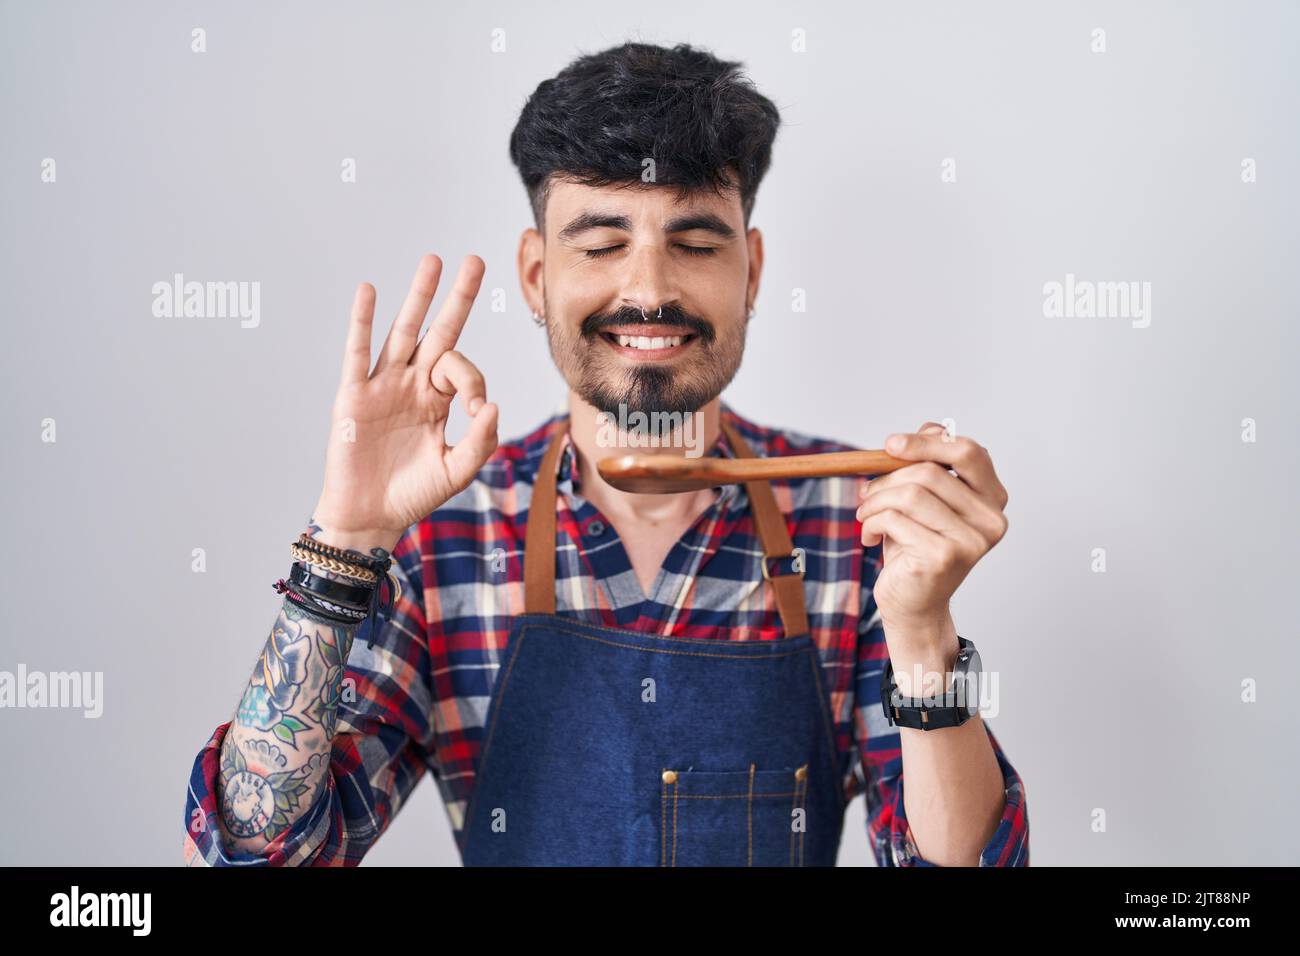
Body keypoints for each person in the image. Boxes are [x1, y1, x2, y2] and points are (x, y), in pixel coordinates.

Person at [182, 40, 1028, 867]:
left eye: (695, 244)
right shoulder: (443, 539)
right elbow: (257, 858)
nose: (650, 289)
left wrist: (925, 633)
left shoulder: (855, 523)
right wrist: (346, 539)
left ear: (754, 271)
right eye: (600, 243)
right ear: (536, 274)